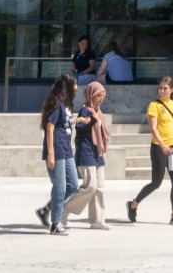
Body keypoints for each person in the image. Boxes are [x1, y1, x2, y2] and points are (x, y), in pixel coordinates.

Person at [126, 76, 173, 226]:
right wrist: (163, 146)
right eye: (160, 88)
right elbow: (153, 129)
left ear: (172, 90)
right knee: (156, 182)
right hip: (159, 147)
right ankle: (133, 204)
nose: (162, 90)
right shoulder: (154, 105)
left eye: (165, 88)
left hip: (172, 147)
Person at [35, 73, 79, 236]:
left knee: (73, 185)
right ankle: (55, 223)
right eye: (74, 84)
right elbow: (50, 127)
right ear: (66, 86)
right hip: (57, 149)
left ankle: (45, 210)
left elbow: (64, 123)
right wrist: (51, 154)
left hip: (67, 150)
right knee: (60, 187)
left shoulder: (67, 105)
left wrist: (77, 121)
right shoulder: (57, 104)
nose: (76, 87)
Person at [62, 81, 110, 229]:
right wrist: (91, 122)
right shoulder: (85, 111)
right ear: (90, 95)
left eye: (102, 96)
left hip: (98, 152)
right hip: (86, 151)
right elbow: (81, 129)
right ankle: (64, 211)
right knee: (90, 186)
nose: (100, 98)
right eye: (97, 96)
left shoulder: (98, 111)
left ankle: (97, 221)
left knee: (100, 187)